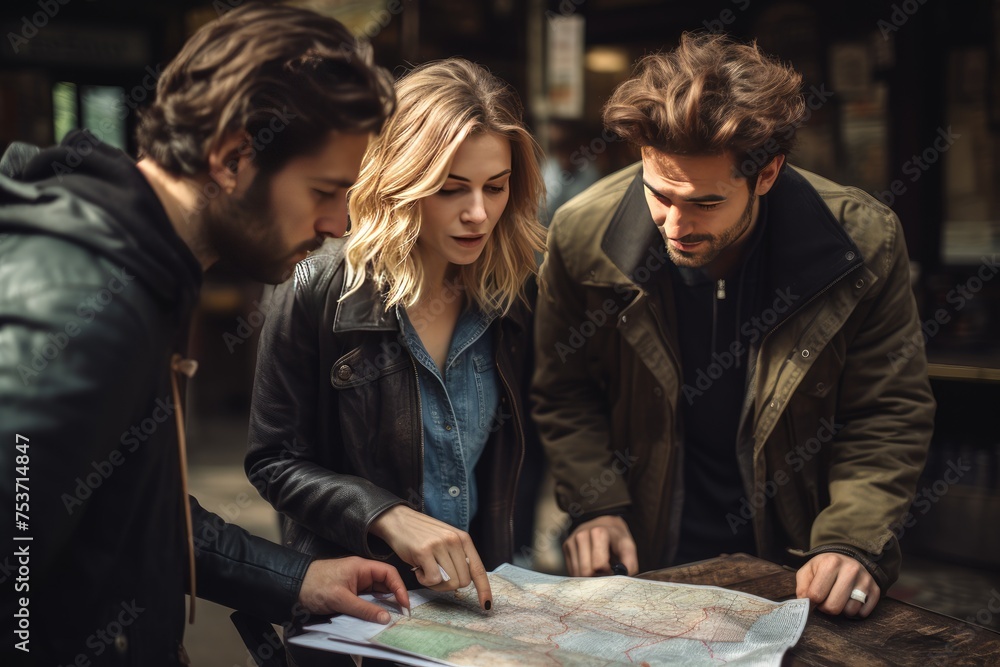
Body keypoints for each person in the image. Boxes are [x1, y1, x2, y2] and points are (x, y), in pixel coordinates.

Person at [0, 5, 410, 666]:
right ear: (231, 157)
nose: (338, 223)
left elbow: (126, 508)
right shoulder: (89, 303)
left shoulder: (134, 266)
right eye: (325, 191)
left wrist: (296, 579)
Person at [531, 32, 935, 619]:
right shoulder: (579, 235)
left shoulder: (864, 243)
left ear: (767, 174)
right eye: (659, 194)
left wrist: (853, 539)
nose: (675, 225)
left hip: (796, 563)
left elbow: (887, 410)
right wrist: (597, 506)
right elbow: (564, 391)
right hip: (646, 558)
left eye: (705, 203)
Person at [246, 57, 545, 622]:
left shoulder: (513, 291)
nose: (479, 213)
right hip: (358, 605)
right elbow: (274, 461)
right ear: (400, 182)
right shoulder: (315, 286)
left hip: (477, 600)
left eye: (496, 186)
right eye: (451, 189)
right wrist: (384, 514)